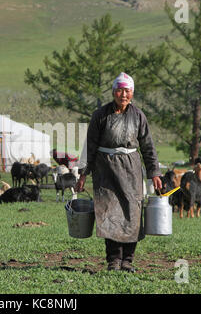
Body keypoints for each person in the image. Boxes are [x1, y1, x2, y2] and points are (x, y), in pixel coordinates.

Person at [75, 72, 162, 273]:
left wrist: (154, 173)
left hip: (131, 169)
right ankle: (113, 261)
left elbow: (148, 146)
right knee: (108, 213)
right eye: (120, 90)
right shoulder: (100, 115)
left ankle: (128, 261)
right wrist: (83, 174)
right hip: (105, 169)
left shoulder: (138, 115)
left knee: (133, 213)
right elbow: (90, 145)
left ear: (132, 93)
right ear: (114, 91)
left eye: (127, 90)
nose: (123, 94)